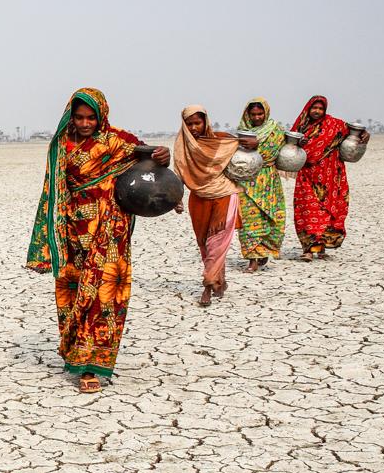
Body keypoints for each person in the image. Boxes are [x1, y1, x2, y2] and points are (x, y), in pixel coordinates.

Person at [32, 87, 168, 393]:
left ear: (102, 116)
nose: (84, 123)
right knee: (74, 296)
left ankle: (93, 366)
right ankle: (75, 355)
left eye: (91, 117)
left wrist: (164, 155)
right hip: (73, 232)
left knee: (105, 298)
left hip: (111, 233)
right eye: (79, 117)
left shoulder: (118, 141)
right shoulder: (62, 146)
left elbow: (151, 160)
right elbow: (52, 192)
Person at [173, 107, 241, 307]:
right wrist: (177, 199)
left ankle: (208, 286)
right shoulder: (182, 146)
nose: (194, 127)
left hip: (225, 195)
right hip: (199, 199)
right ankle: (219, 280)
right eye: (190, 123)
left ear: (205, 122)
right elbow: (179, 173)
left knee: (216, 243)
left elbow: (246, 154)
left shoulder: (221, 140)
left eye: (198, 123)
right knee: (204, 243)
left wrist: (251, 144)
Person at [291, 95, 366, 260]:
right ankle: (309, 249)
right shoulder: (300, 127)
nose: (317, 111)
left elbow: (356, 133)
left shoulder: (335, 125)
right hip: (307, 174)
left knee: (326, 210)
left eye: (320, 108)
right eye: (314, 108)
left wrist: (364, 137)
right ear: (308, 108)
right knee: (307, 210)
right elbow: (289, 146)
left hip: (330, 174)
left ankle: (322, 246)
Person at [233, 96, 287, 270]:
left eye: (260, 113)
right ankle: (252, 259)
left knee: (270, 218)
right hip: (247, 182)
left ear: (266, 112)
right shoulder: (242, 132)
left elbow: (285, 150)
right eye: (253, 114)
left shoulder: (276, 131)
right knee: (249, 220)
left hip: (269, 180)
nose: (257, 117)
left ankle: (263, 251)